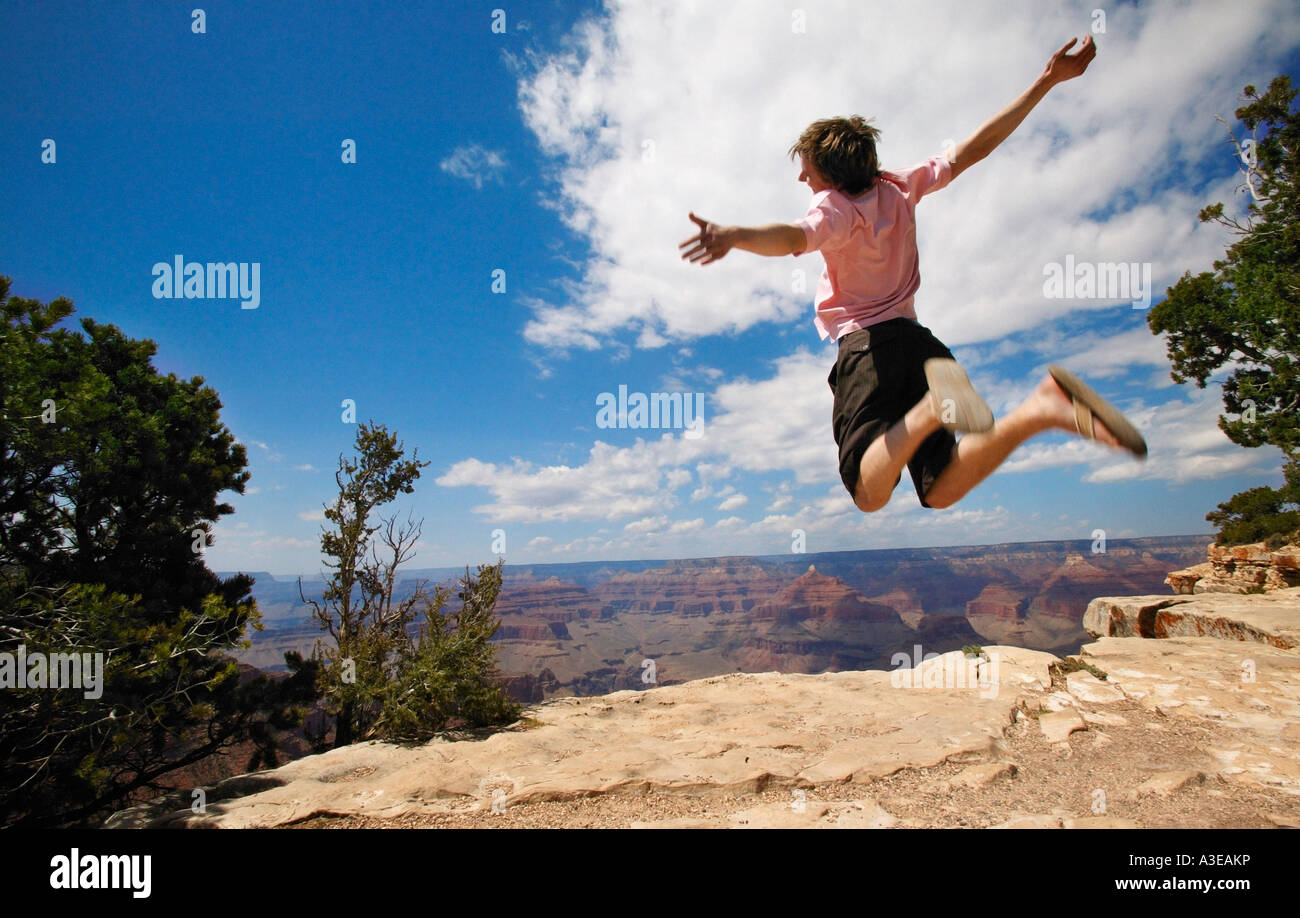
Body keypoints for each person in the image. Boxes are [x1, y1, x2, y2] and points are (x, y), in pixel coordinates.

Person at [679, 35, 1146, 514]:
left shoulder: (834, 210)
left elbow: (793, 236)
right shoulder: (900, 185)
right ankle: (1042, 409)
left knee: (867, 490)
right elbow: (972, 150)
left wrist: (735, 234)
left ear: (833, 177)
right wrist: (1046, 82)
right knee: (941, 488)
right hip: (920, 346)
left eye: (808, 172)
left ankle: (930, 409)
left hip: (868, 352)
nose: (804, 180)